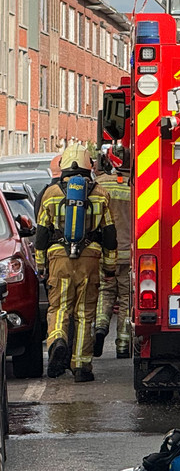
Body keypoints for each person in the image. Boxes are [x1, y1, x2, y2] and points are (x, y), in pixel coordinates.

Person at [35, 142, 118, 382]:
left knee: (59, 307)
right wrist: (109, 267)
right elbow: (109, 235)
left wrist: (41, 265)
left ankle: (58, 340)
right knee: (84, 314)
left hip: (58, 259)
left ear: (63, 165)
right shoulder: (101, 194)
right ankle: (81, 366)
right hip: (90, 259)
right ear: (88, 165)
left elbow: (41, 234)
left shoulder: (51, 194)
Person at [94, 145, 133, 359]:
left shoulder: (99, 185)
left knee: (105, 292)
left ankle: (100, 327)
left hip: (104, 253)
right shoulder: (136, 185)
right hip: (129, 254)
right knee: (127, 298)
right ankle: (123, 344)